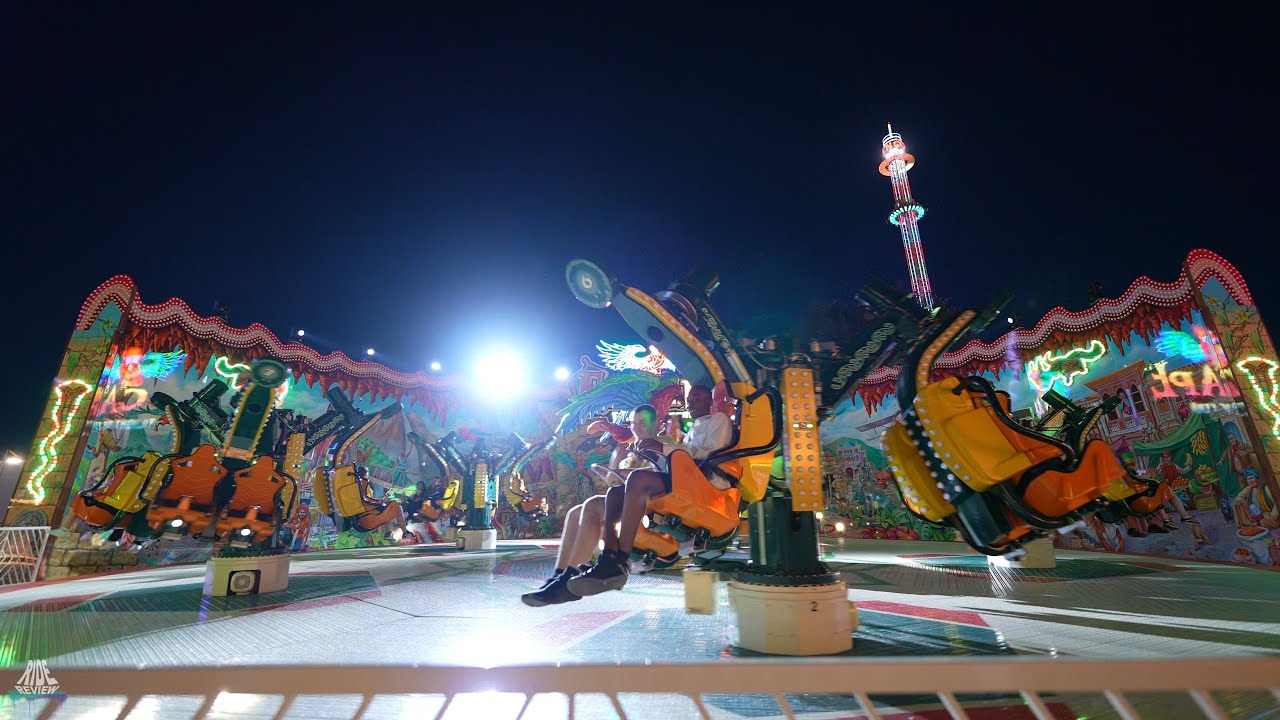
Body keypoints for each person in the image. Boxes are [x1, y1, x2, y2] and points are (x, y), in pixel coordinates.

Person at [569, 384, 733, 597]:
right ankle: (609, 557)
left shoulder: (719, 420)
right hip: (685, 477)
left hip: (704, 484)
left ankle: (620, 560)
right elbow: (682, 457)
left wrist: (661, 448)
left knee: (637, 479)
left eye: (697, 398)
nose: (690, 402)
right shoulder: (694, 428)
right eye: (690, 398)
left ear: (711, 401)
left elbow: (709, 454)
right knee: (614, 494)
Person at [522, 404, 662, 607]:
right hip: (621, 500)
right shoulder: (630, 449)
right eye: (633, 423)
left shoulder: (661, 446)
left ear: (655, 424)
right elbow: (617, 478)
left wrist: (623, 475)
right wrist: (613, 470)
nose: (636, 428)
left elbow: (659, 477)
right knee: (574, 513)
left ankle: (570, 578)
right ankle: (559, 576)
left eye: (642, 423)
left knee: (593, 505)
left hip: (645, 506)